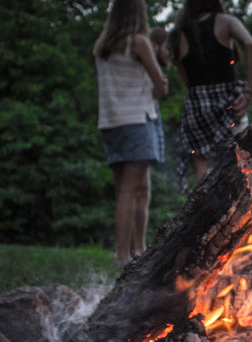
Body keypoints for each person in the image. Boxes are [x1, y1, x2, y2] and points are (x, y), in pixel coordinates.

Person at [93, 0, 168, 266]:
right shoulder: (138, 42)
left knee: (133, 190)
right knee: (131, 191)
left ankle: (138, 249)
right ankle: (123, 255)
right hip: (136, 121)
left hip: (111, 123)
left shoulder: (102, 46)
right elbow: (160, 86)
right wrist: (160, 84)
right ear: (138, 13)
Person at [170, 0, 252, 190]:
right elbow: (250, 45)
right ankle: (246, 217)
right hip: (228, 101)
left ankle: (210, 217)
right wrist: (249, 91)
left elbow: (185, 78)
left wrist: (201, 98)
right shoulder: (225, 22)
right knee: (240, 165)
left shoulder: (178, 34)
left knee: (203, 173)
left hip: (196, 105)